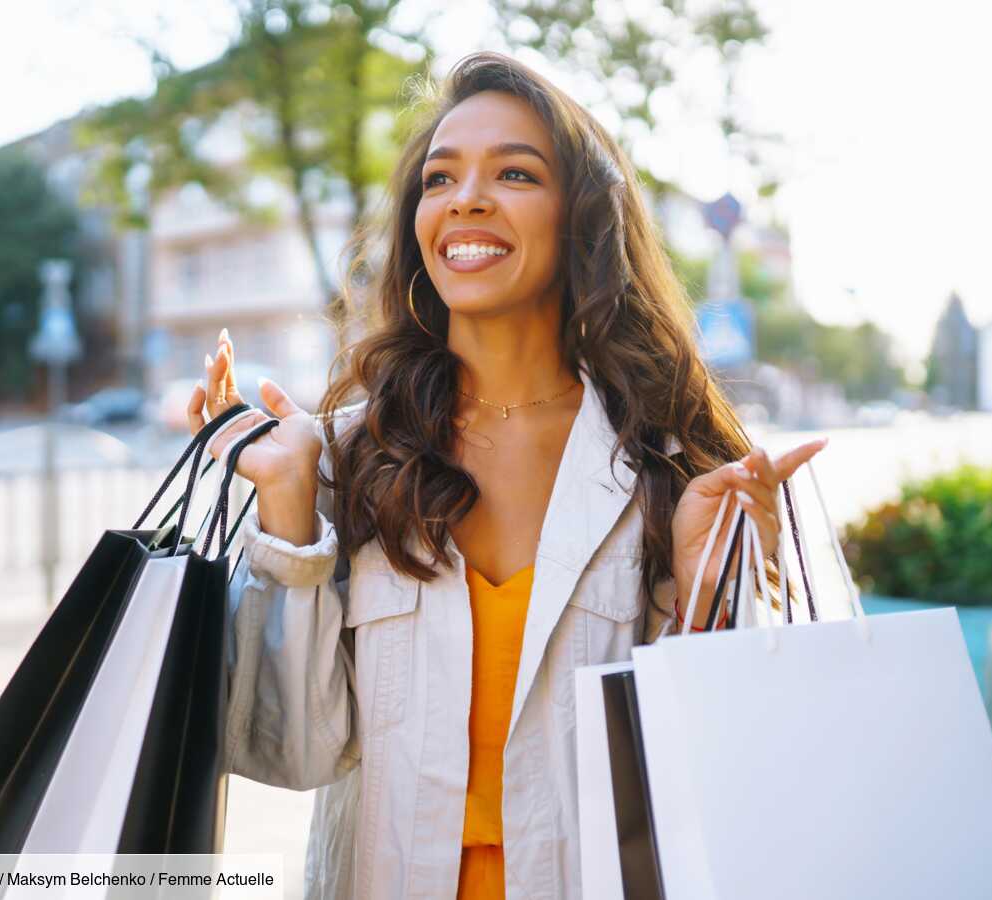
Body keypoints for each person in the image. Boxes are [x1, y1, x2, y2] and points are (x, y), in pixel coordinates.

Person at [186, 50, 826, 900]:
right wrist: (290, 507)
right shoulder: (350, 456)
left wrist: (715, 590)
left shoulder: (663, 465)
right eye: (440, 178)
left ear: (582, 221)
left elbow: (715, 768)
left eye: (515, 173)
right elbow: (289, 750)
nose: (466, 199)